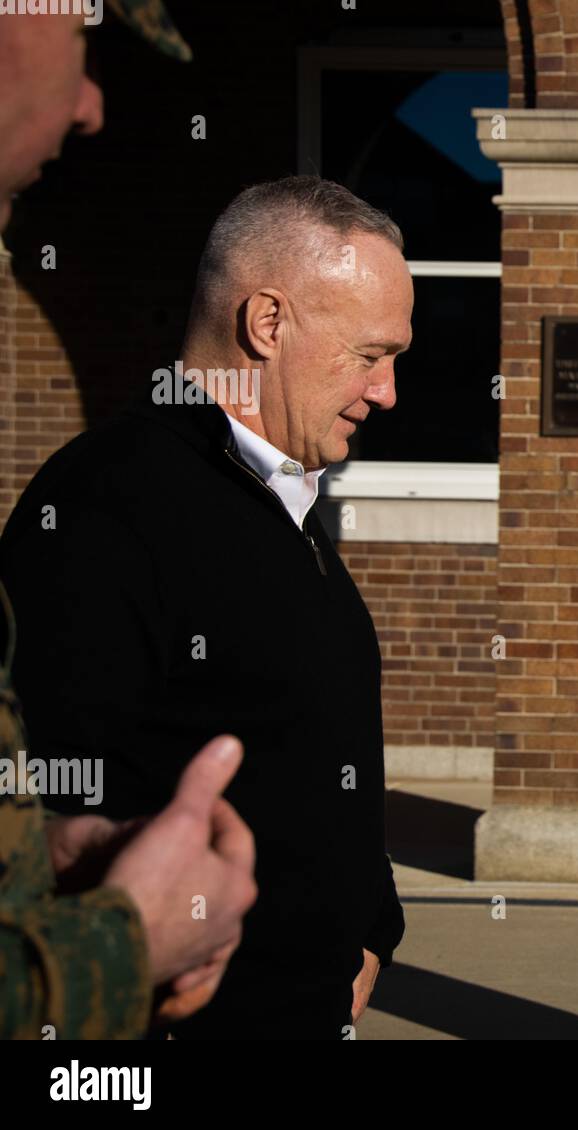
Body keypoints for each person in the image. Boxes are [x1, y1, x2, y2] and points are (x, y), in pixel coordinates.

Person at [0, 174, 412, 1039]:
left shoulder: (277, 498)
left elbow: (313, 749)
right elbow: (56, 811)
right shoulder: (102, 505)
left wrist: (371, 931)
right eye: (370, 354)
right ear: (267, 323)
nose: (387, 393)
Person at [0, 0, 257, 1040]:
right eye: (84, 40)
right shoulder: (105, 501)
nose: (95, 103)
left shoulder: (283, 514)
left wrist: (39, 857)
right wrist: (119, 940)